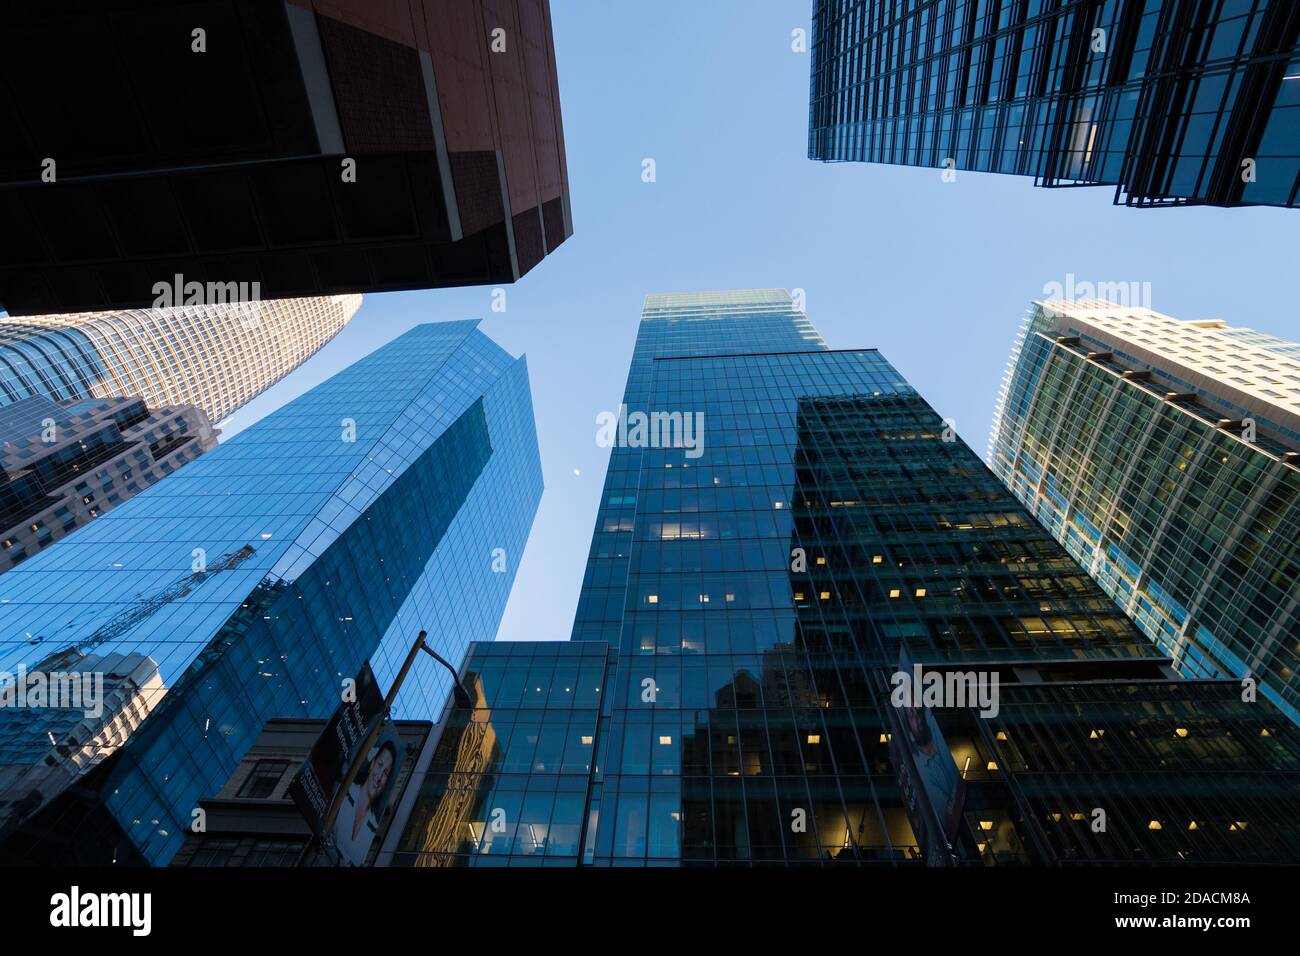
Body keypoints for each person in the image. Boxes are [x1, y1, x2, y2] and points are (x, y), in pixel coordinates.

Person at [331, 739, 397, 866]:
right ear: (372, 764)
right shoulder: (343, 792)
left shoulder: (372, 827)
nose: (379, 777)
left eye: (386, 773)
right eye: (379, 765)